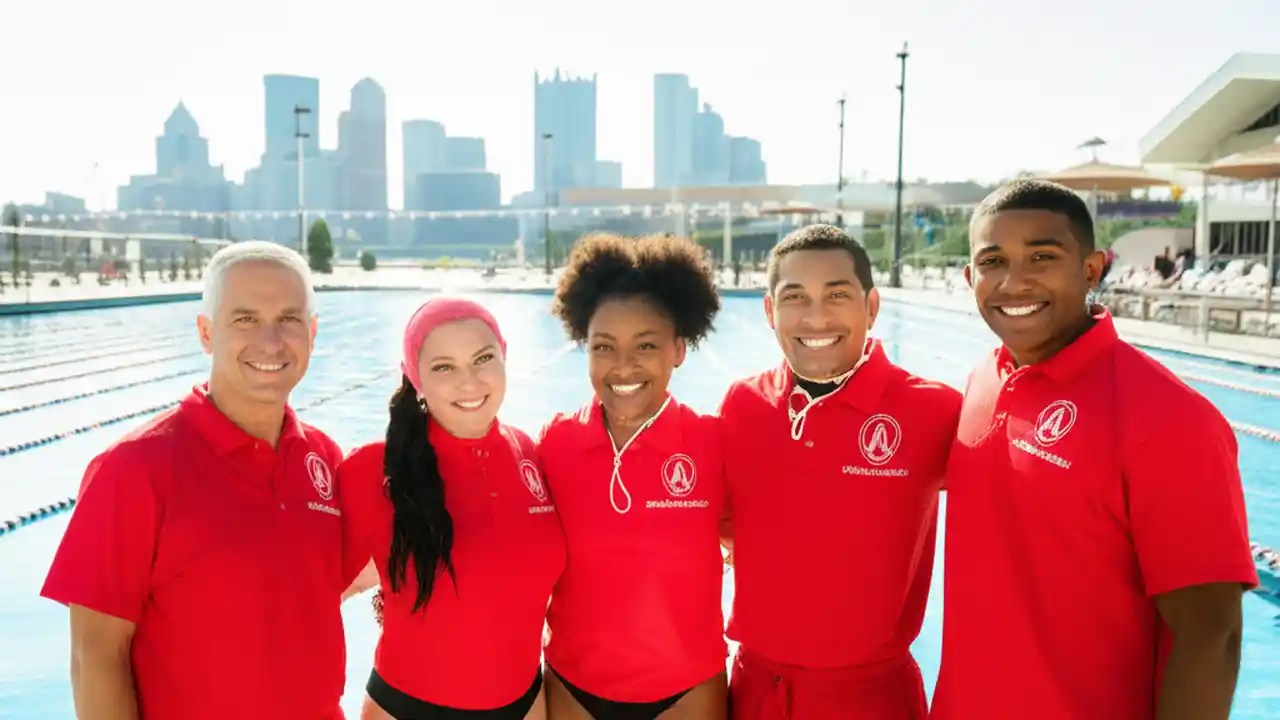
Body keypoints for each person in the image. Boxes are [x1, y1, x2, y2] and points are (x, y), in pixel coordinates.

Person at [932, 179, 1258, 720]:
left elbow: (1211, 634)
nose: (1015, 281)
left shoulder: (1169, 418)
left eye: (1042, 255)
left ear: (1091, 269)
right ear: (970, 278)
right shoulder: (982, 382)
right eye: (993, 261)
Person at [40, 240, 347, 719]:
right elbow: (94, 657)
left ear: (311, 332)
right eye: (245, 319)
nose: (271, 341)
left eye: (288, 319)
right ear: (206, 333)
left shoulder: (324, 460)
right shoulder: (135, 469)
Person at [718, 224, 960, 719]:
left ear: (871, 307)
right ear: (769, 311)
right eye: (794, 296)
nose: (816, 316)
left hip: (871, 698)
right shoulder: (744, 405)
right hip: (756, 691)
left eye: (837, 294)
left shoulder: (933, 411)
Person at [337, 298, 564, 720]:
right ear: (414, 377)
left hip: (527, 705)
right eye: (444, 367)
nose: (470, 382)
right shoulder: (375, 470)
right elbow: (302, 600)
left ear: (504, 356)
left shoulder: (532, 455)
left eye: (482, 359)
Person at [538, 233, 727, 720]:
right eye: (604, 346)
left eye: (645, 345)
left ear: (679, 348)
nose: (623, 366)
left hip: (687, 691)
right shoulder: (554, 446)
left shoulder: (714, 445)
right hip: (575, 687)